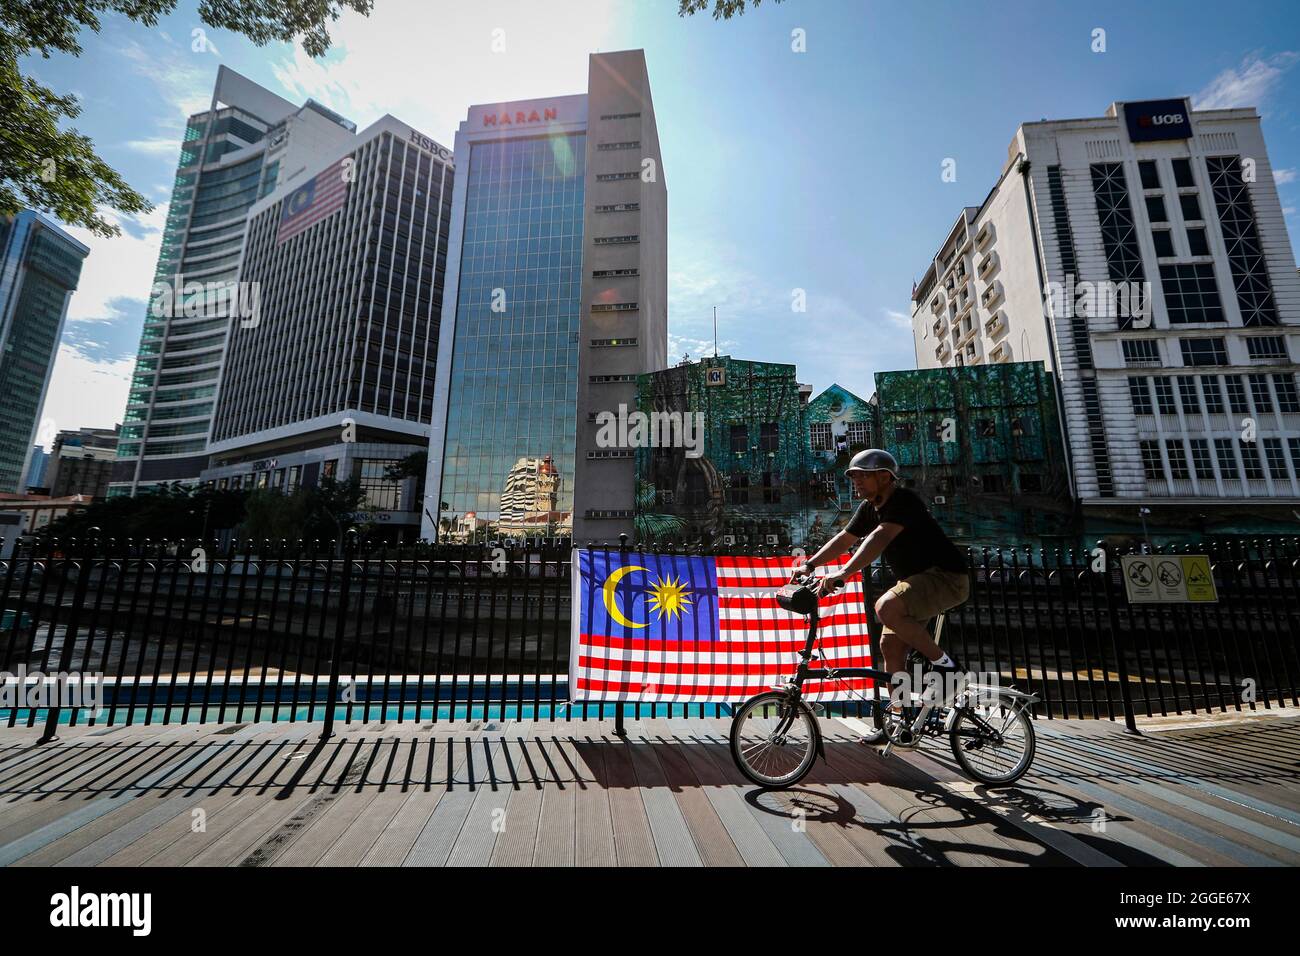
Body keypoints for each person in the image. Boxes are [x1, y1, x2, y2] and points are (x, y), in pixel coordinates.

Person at [795, 447, 970, 690]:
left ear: (885, 477)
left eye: (863, 475)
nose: (856, 481)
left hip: (945, 577)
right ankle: (899, 718)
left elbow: (880, 537)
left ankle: (948, 666)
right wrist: (809, 565)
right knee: (890, 646)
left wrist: (844, 572)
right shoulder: (868, 508)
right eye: (854, 476)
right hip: (917, 582)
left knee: (886, 607)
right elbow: (844, 540)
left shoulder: (903, 501)